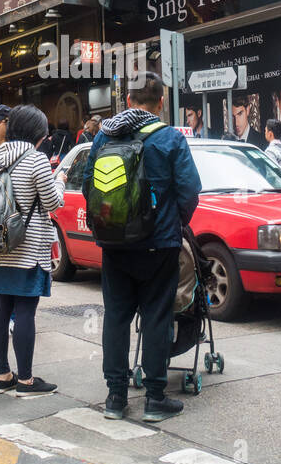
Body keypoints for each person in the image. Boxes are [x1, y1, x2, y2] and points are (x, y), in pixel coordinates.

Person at [83, 72, 200, 423]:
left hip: (115, 244)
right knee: (156, 317)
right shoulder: (169, 138)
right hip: (159, 244)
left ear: (129, 101)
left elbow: (89, 186)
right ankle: (154, 398)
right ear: (161, 103)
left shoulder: (103, 137)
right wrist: (175, 223)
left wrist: (106, 227)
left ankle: (115, 397)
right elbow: (190, 190)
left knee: (116, 318)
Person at [0, 104, 64, 397]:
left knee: (2, 308)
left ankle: (3, 375)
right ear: (37, 133)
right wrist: (60, 182)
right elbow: (53, 203)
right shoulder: (37, 160)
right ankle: (27, 381)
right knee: (26, 310)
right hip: (28, 247)